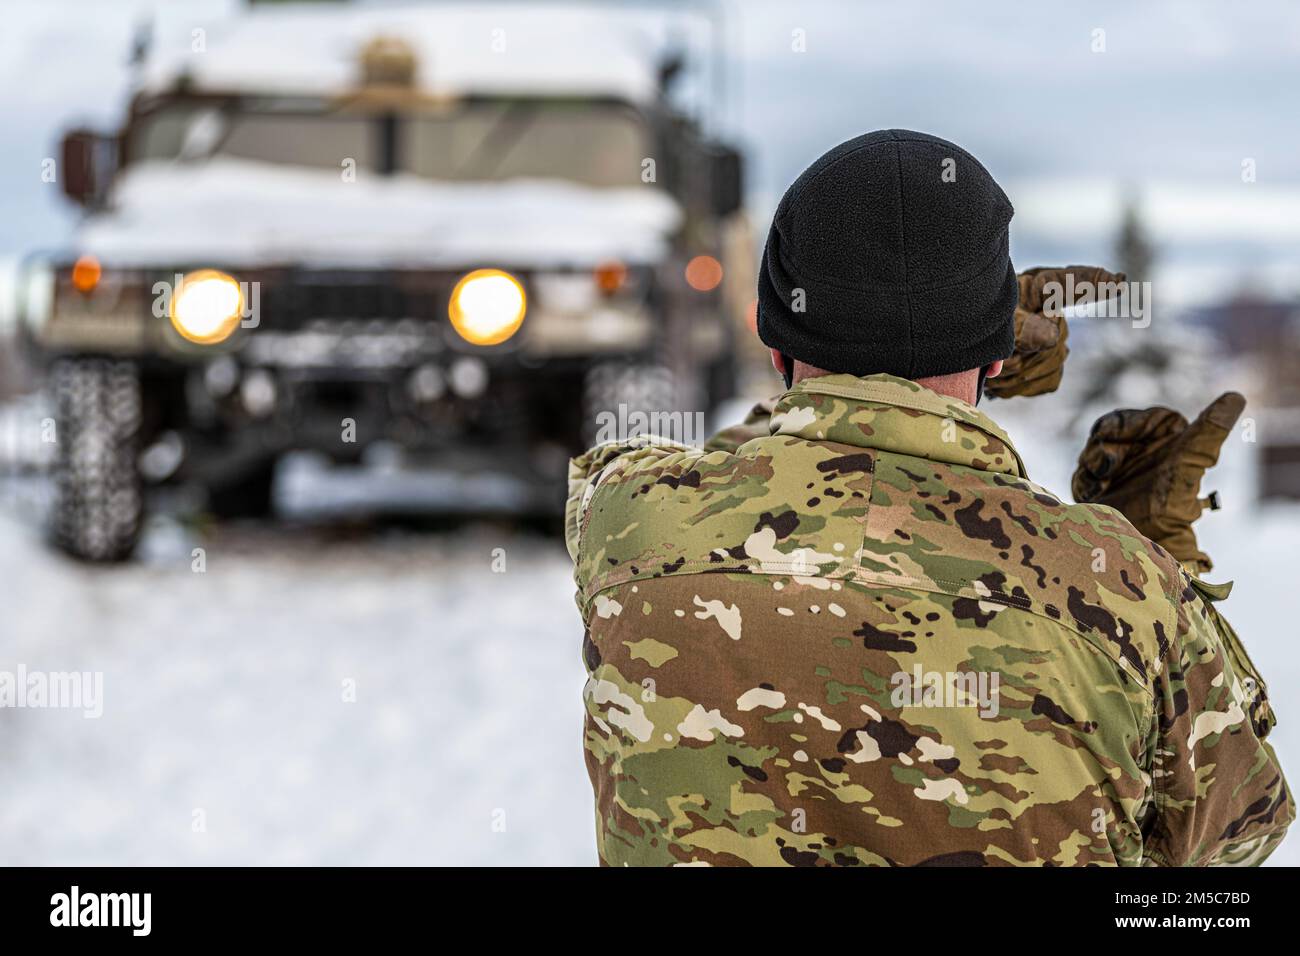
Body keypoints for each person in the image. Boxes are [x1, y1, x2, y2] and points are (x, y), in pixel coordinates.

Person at [565, 129, 1292, 866]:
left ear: (773, 339)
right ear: (1000, 352)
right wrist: (1155, 565)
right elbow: (1237, 834)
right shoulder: (1126, 589)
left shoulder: (630, 520)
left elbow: (738, 467)